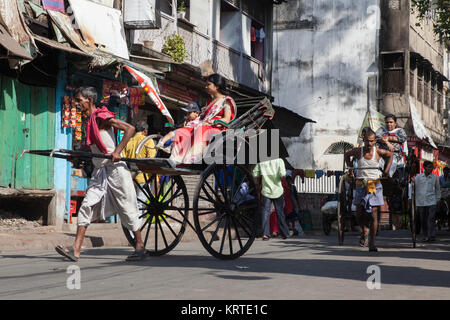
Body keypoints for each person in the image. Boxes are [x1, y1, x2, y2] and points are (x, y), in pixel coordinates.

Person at [55, 86, 146, 262]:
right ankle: (75, 249)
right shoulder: (89, 121)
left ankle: (140, 246)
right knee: (86, 205)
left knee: (127, 208)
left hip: (116, 171)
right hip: (100, 172)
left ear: (89, 100)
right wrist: (76, 154)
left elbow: (129, 129)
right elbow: (92, 146)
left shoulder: (101, 117)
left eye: (79, 100)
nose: (77, 104)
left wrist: (118, 151)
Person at [170, 73, 237, 164]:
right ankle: (175, 158)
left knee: (201, 129)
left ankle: (194, 157)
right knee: (182, 131)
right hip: (204, 126)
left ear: (217, 86)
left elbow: (226, 120)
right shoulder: (209, 102)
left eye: (208, 84)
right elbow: (201, 117)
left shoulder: (227, 101)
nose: (205, 87)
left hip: (218, 129)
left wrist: (212, 121)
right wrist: (189, 121)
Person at [345, 127, 393, 252]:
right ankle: (364, 230)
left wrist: (386, 171)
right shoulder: (358, 151)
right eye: (367, 141)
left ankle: (372, 243)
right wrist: (350, 169)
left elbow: (390, 154)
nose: (369, 144)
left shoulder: (378, 151)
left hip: (375, 185)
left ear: (375, 141)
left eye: (372, 141)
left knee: (374, 215)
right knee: (359, 214)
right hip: (361, 184)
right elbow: (346, 154)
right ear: (363, 140)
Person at [122, 120, 157, 211]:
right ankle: (137, 225)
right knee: (139, 204)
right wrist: (156, 179)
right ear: (145, 131)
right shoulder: (148, 141)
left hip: (130, 178)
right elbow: (152, 159)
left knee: (131, 203)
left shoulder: (128, 141)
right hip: (143, 178)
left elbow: (123, 160)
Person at [253, 158, 291, 240]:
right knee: (280, 212)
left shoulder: (262, 161)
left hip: (266, 191)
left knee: (265, 213)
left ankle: (265, 234)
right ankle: (284, 233)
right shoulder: (279, 160)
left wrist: (263, 173)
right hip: (277, 191)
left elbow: (255, 174)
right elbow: (282, 174)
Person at [414, 161, 441, 242]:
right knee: (423, 219)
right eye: (429, 167)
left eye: (431, 167)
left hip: (432, 201)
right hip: (420, 201)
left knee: (431, 218)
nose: (430, 169)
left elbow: (437, 189)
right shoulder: (418, 177)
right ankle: (425, 235)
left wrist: (438, 199)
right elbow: (413, 188)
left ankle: (431, 235)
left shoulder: (435, 177)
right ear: (424, 167)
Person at [375, 114, 408, 179]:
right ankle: (378, 176)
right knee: (379, 161)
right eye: (387, 122)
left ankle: (388, 176)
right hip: (382, 152)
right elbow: (376, 137)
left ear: (395, 123)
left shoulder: (399, 130)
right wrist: (387, 142)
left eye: (391, 122)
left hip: (395, 153)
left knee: (392, 162)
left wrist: (388, 138)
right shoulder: (382, 129)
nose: (389, 124)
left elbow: (403, 138)